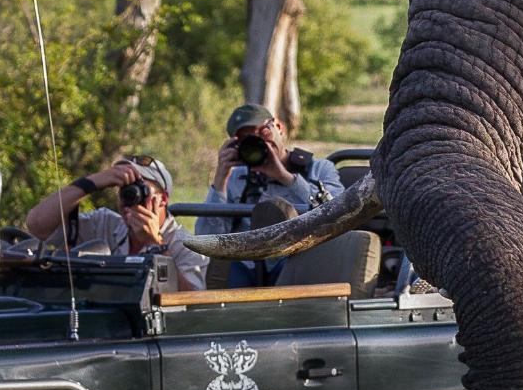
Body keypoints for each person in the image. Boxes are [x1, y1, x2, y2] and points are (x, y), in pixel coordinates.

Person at [197, 104, 341, 287]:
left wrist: (285, 177)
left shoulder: (319, 169)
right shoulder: (235, 178)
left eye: (263, 133)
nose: (260, 143)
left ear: (279, 128)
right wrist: (220, 179)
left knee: (293, 267)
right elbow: (207, 238)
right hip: (246, 266)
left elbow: (339, 215)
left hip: (298, 259)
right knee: (224, 270)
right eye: (248, 139)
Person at [20, 153, 205, 290]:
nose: (129, 198)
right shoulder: (105, 224)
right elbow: (37, 225)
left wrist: (157, 245)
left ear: (163, 199)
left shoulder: (186, 245)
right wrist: (90, 183)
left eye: (139, 190)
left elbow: (195, 306)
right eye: (124, 190)